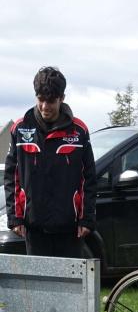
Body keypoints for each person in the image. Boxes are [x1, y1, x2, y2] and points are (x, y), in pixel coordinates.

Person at [4, 67, 97, 257]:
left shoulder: (79, 131)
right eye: (41, 99)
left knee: (70, 285)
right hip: (34, 227)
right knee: (38, 285)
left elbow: (89, 178)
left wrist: (86, 219)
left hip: (69, 228)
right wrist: (15, 217)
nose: (45, 106)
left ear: (62, 98)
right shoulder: (20, 129)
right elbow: (11, 176)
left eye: (51, 101)